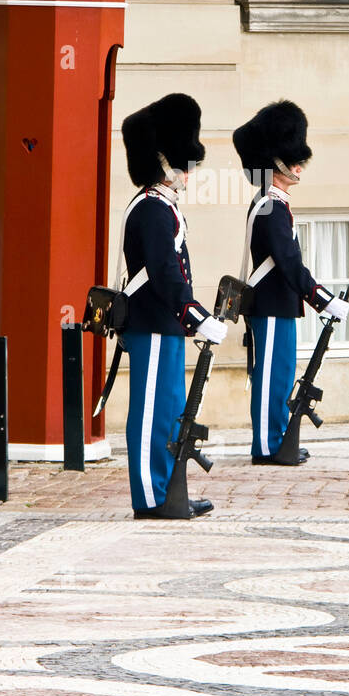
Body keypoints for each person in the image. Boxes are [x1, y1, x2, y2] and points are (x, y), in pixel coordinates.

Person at [120, 93, 227, 518]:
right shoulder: (151, 209)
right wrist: (195, 315)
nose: (187, 173)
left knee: (168, 411)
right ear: (163, 160)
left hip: (163, 325)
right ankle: (150, 497)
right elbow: (164, 272)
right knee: (150, 412)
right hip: (152, 322)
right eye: (182, 164)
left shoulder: (163, 207)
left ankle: (167, 490)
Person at [232, 100, 349, 464]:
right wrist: (322, 297)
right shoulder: (271, 205)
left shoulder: (274, 202)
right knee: (270, 377)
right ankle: (267, 445)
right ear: (275, 162)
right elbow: (287, 261)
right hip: (269, 304)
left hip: (278, 303)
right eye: (292, 158)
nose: (298, 165)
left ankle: (276, 438)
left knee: (281, 375)